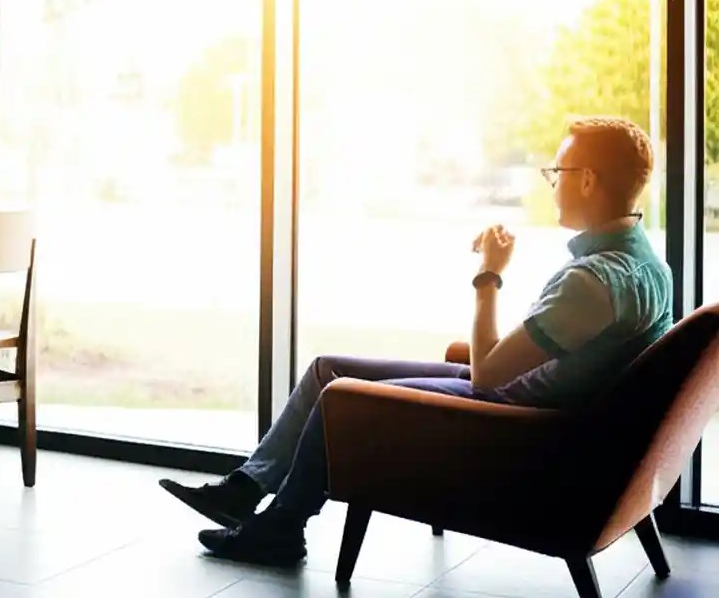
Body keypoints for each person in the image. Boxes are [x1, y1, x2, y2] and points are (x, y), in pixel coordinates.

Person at [160, 116, 673, 566]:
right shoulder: (648, 267)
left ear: (586, 180)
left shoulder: (593, 282)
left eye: (555, 173)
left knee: (338, 396)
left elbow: (488, 373)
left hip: (511, 418)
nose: (550, 184)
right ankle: (244, 489)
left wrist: (489, 275)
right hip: (531, 397)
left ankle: (280, 531)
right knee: (325, 369)